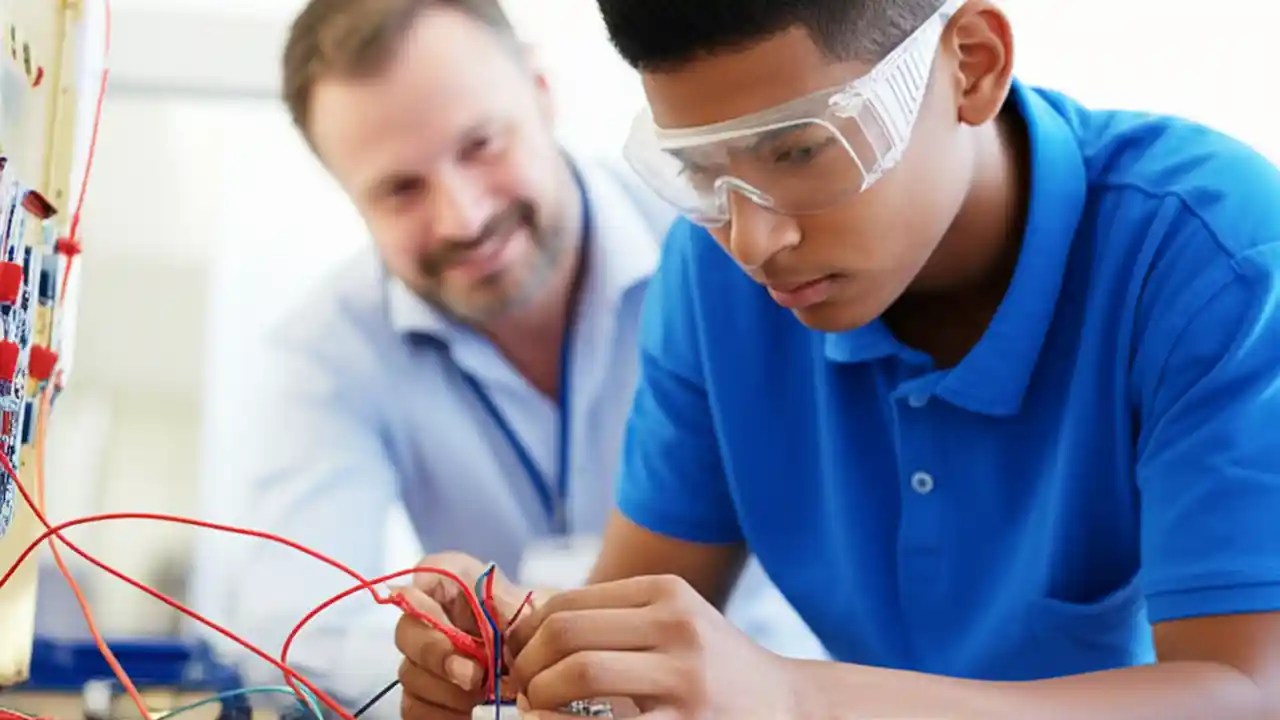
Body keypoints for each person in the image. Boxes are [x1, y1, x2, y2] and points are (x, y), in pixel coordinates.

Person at [392, 0, 1280, 717]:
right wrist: (517, 654)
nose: (755, 239)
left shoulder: (1213, 253)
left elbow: (1249, 691)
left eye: (801, 151)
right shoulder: (712, 281)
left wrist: (793, 696)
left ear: (970, 63)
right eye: (702, 171)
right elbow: (627, 662)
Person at [195, 0, 825, 710]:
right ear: (348, 197)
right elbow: (291, 621)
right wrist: (455, 658)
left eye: (480, 146)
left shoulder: (732, 259)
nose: (463, 216)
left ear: (542, 92)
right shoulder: (326, 354)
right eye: (401, 190)